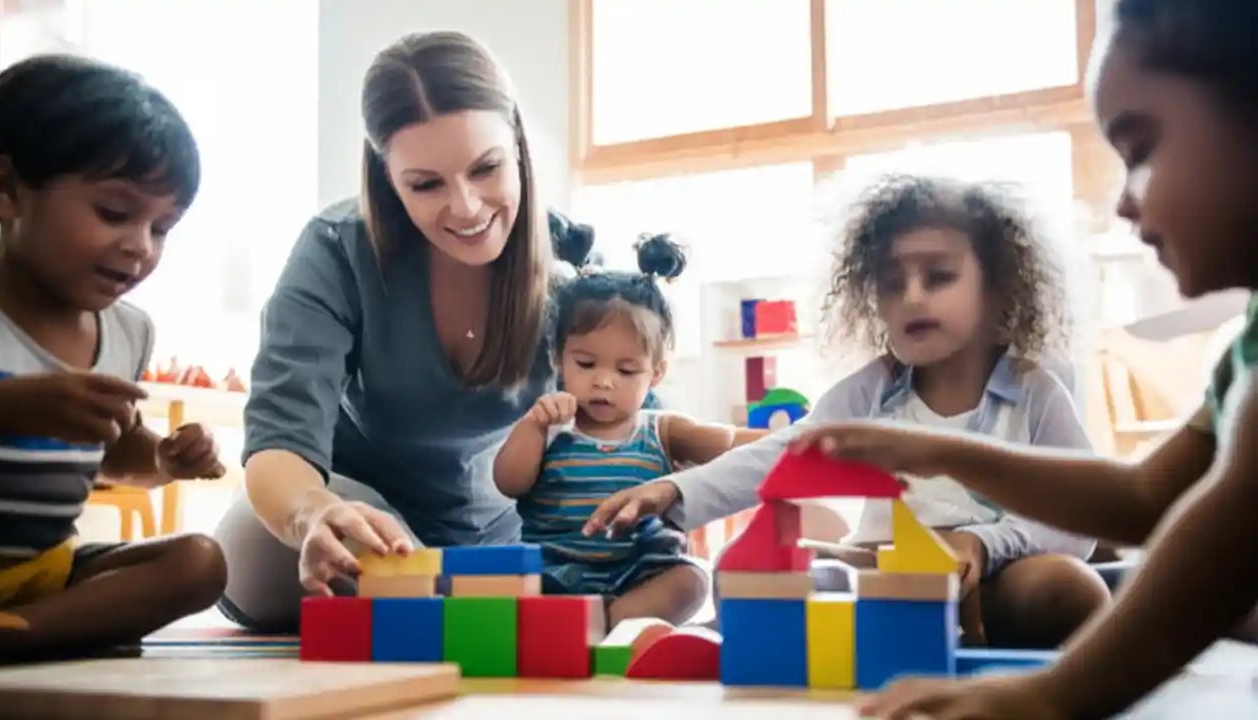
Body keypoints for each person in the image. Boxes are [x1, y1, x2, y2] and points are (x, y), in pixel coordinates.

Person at [793, 1, 1258, 718]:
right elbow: (1144, 500)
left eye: (1139, 152)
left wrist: (1044, 696)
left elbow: (1211, 545)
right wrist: (939, 450)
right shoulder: (1246, 353)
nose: (1125, 207)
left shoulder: (1037, 386)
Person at [584, 174, 1110, 648]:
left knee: (1069, 589)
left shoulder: (1034, 389)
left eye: (939, 276)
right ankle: (846, 625)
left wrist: (982, 542)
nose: (913, 296)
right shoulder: (876, 389)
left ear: (997, 290)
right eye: (891, 282)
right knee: (742, 568)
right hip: (881, 571)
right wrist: (676, 490)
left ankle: (934, 629)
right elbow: (785, 455)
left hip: (995, 576)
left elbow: (1081, 512)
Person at [213, 31, 558, 631]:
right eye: (426, 184)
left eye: (487, 168)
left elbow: (627, 429)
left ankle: (458, 602)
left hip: (511, 534)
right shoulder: (335, 250)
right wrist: (314, 513)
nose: (468, 207)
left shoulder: (575, 269)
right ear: (387, 179)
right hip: (365, 518)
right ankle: (442, 604)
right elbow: (279, 444)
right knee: (246, 555)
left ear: (519, 148)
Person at [0, 54, 227, 663]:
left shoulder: (125, 332)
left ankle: (12, 634)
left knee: (199, 562)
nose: (139, 247)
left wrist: (165, 458)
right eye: (114, 213)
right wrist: (8, 407)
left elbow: (118, 453)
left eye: (161, 228)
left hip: (44, 572)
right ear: (8, 190)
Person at [495, 214, 764, 628]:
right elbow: (509, 483)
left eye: (626, 371)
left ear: (655, 373)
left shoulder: (664, 430)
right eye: (585, 363)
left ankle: (609, 627)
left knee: (691, 580)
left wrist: (802, 437)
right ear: (557, 358)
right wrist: (532, 425)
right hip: (552, 577)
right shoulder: (549, 423)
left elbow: (733, 443)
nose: (603, 381)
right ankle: (588, 629)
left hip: (638, 575)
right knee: (495, 584)